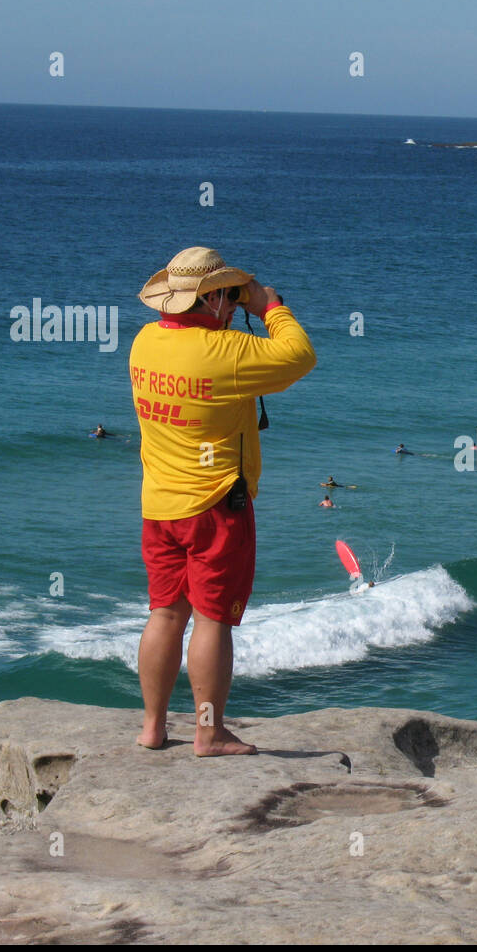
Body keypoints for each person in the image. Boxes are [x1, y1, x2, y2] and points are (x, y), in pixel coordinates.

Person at [131, 247, 316, 756]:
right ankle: (208, 733)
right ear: (209, 299)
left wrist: (238, 307)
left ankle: (152, 727)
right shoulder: (226, 353)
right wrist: (269, 307)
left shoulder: (144, 341)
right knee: (212, 618)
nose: (234, 305)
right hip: (214, 507)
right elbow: (300, 356)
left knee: (166, 614)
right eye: (227, 296)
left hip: (159, 504)